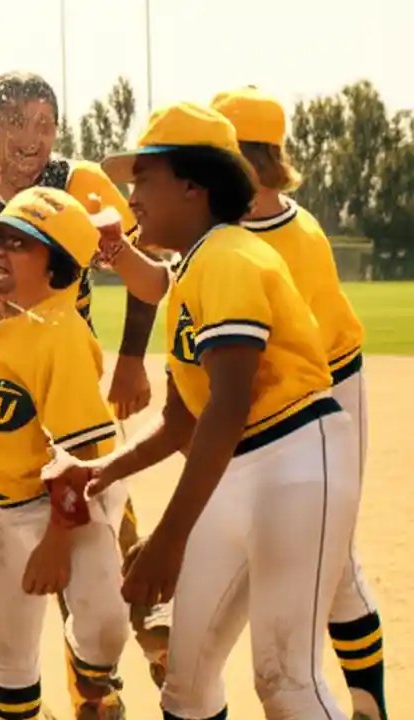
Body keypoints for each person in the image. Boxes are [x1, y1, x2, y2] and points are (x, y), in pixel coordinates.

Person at [79, 101, 361, 719]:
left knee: (285, 680)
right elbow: (183, 419)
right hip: (240, 467)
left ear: (194, 184)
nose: (132, 197)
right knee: (187, 679)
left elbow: (229, 407)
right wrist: (103, 470)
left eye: (144, 179)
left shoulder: (231, 256)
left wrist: (168, 538)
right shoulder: (193, 268)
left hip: (295, 456)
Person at [0, 71, 168, 717]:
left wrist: (131, 362)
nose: (34, 137)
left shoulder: (82, 185)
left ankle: (99, 684)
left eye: (46, 123)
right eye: (17, 122)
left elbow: (140, 269)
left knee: (98, 522)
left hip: (60, 378)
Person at [212, 86, 385, 720]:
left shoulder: (297, 236)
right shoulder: (222, 229)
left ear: (247, 159)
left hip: (329, 392)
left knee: (333, 562)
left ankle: (369, 705)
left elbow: (292, 362)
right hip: (277, 399)